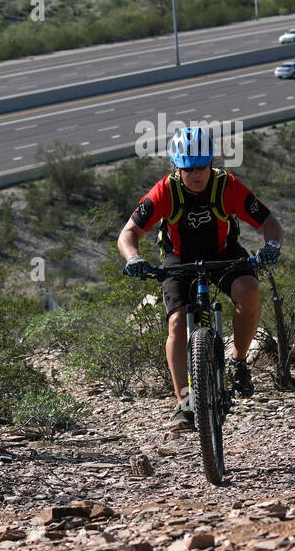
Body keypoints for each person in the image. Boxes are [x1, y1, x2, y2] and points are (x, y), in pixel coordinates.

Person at [117, 126, 283, 432]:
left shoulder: (226, 186)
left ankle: (238, 360)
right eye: (187, 168)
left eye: (201, 167)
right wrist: (134, 258)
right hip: (178, 259)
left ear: (211, 162)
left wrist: (271, 247)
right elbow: (129, 233)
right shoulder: (165, 191)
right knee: (177, 323)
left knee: (249, 290)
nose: (195, 175)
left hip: (224, 253)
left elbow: (269, 223)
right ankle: (184, 402)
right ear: (177, 167)